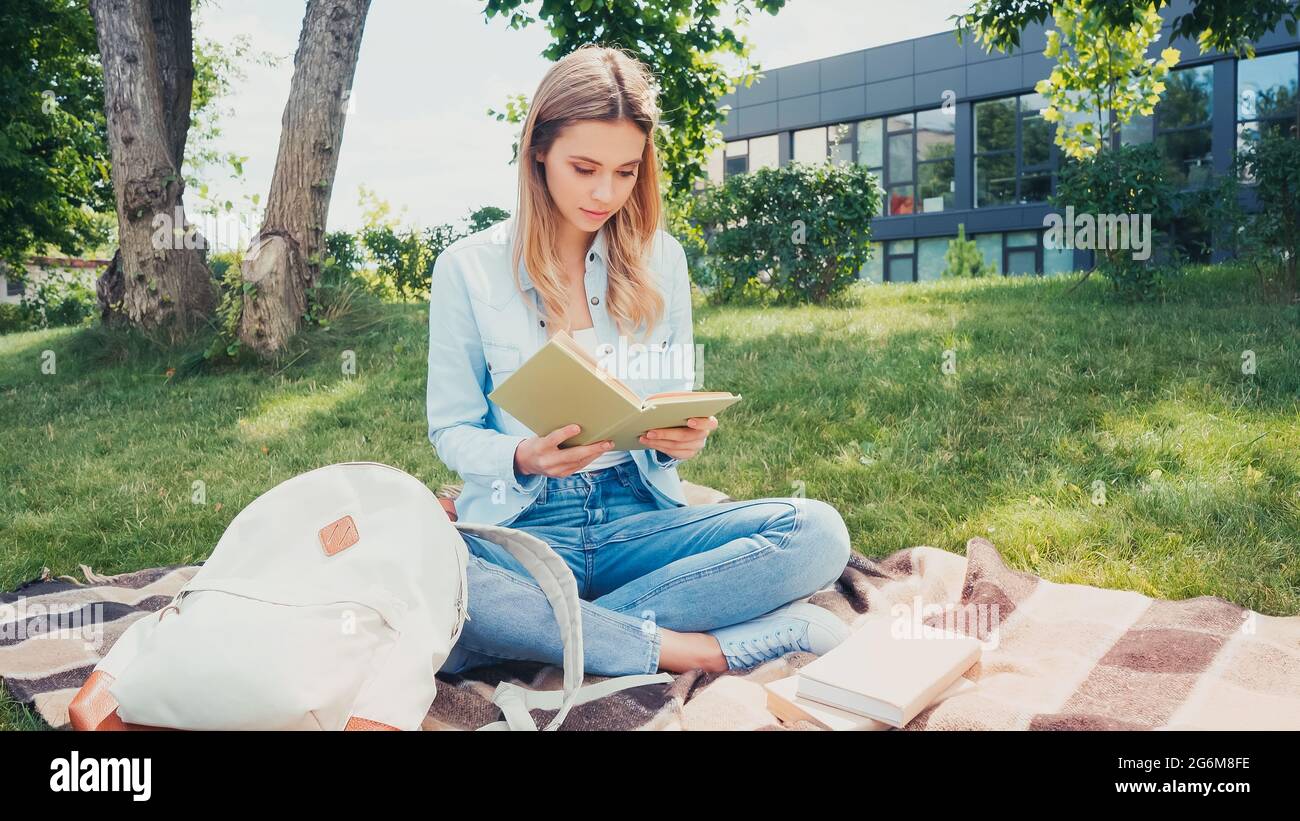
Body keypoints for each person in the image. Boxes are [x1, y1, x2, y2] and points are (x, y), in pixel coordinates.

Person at [428, 43, 851, 678]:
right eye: (584, 167)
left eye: (626, 171)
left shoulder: (663, 260)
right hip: (524, 525)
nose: (605, 192)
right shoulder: (468, 268)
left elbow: (671, 402)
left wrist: (679, 439)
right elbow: (451, 428)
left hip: (638, 518)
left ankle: (553, 634)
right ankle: (692, 646)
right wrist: (521, 456)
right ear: (538, 150)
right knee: (436, 573)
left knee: (816, 533)